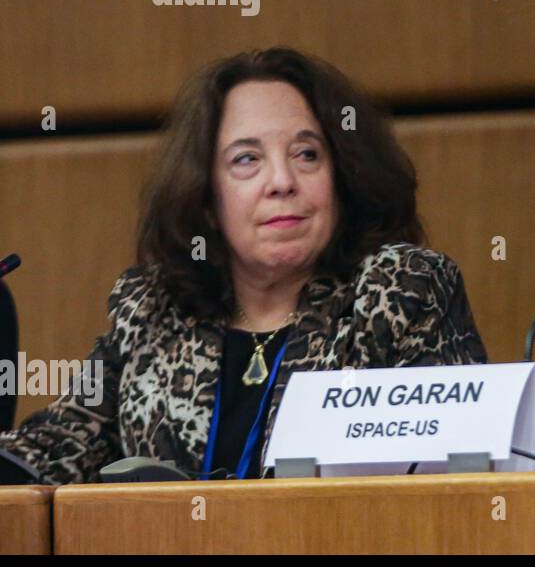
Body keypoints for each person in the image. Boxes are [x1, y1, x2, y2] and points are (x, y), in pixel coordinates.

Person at [0, 47, 486, 484]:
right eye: (247, 159)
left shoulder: (401, 292)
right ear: (207, 196)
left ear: (343, 177)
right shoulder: (152, 311)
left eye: (307, 154)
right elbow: (57, 447)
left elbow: (454, 483)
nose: (281, 181)